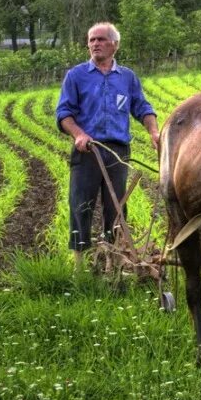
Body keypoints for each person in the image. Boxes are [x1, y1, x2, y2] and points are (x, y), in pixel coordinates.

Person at [56, 22, 159, 272]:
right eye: (91, 40)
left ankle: (112, 261)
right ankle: (79, 266)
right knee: (82, 205)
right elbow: (64, 113)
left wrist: (154, 131)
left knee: (115, 208)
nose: (95, 44)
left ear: (114, 44)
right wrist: (79, 134)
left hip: (117, 153)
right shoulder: (77, 76)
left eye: (101, 39)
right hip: (87, 151)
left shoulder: (127, 77)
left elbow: (142, 108)